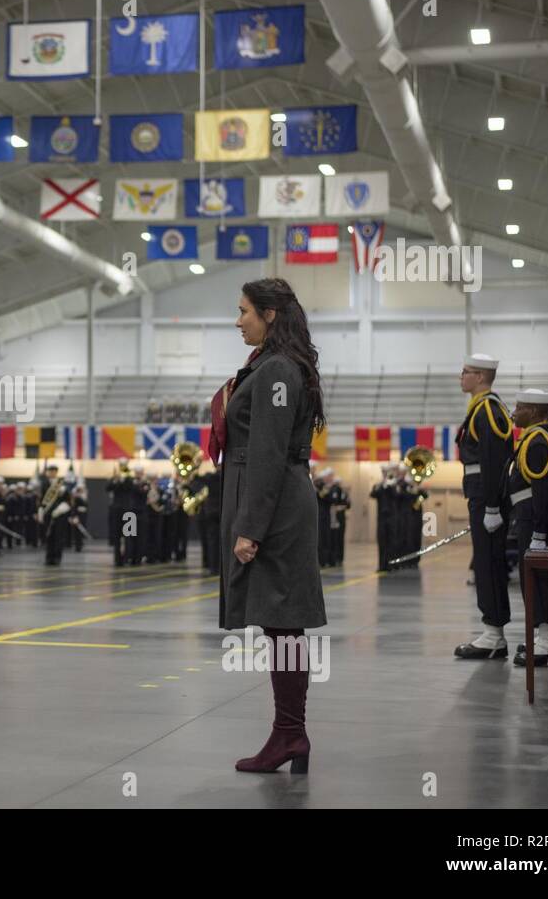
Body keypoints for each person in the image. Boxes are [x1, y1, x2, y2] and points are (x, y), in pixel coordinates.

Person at [220, 277, 326, 775]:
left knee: (283, 623)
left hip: (277, 507)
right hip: (275, 500)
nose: (238, 320)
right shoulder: (272, 365)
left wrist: (251, 527)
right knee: (280, 625)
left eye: (244, 311)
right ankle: (290, 734)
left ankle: (289, 734)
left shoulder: (278, 368)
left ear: (270, 315)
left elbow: (266, 453)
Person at [453, 353, 514, 660]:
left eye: (465, 372)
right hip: (480, 494)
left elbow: (493, 461)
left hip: (486, 496)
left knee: (488, 562)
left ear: (479, 377)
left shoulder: (487, 411)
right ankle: (493, 630)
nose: (459, 376)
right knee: (487, 561)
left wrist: (492, 506)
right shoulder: (482, 409)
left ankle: (493, 634)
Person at [507, 389, 548, 668]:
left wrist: (540, 533)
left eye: (519, 407)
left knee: (538, 577)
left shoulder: (538, 441)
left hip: (535, 518)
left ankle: (547, 642)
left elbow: (543, 489)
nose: (513, 412)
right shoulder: (544, 437)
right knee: (547, 576)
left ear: (533, 412)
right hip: (535, 517)